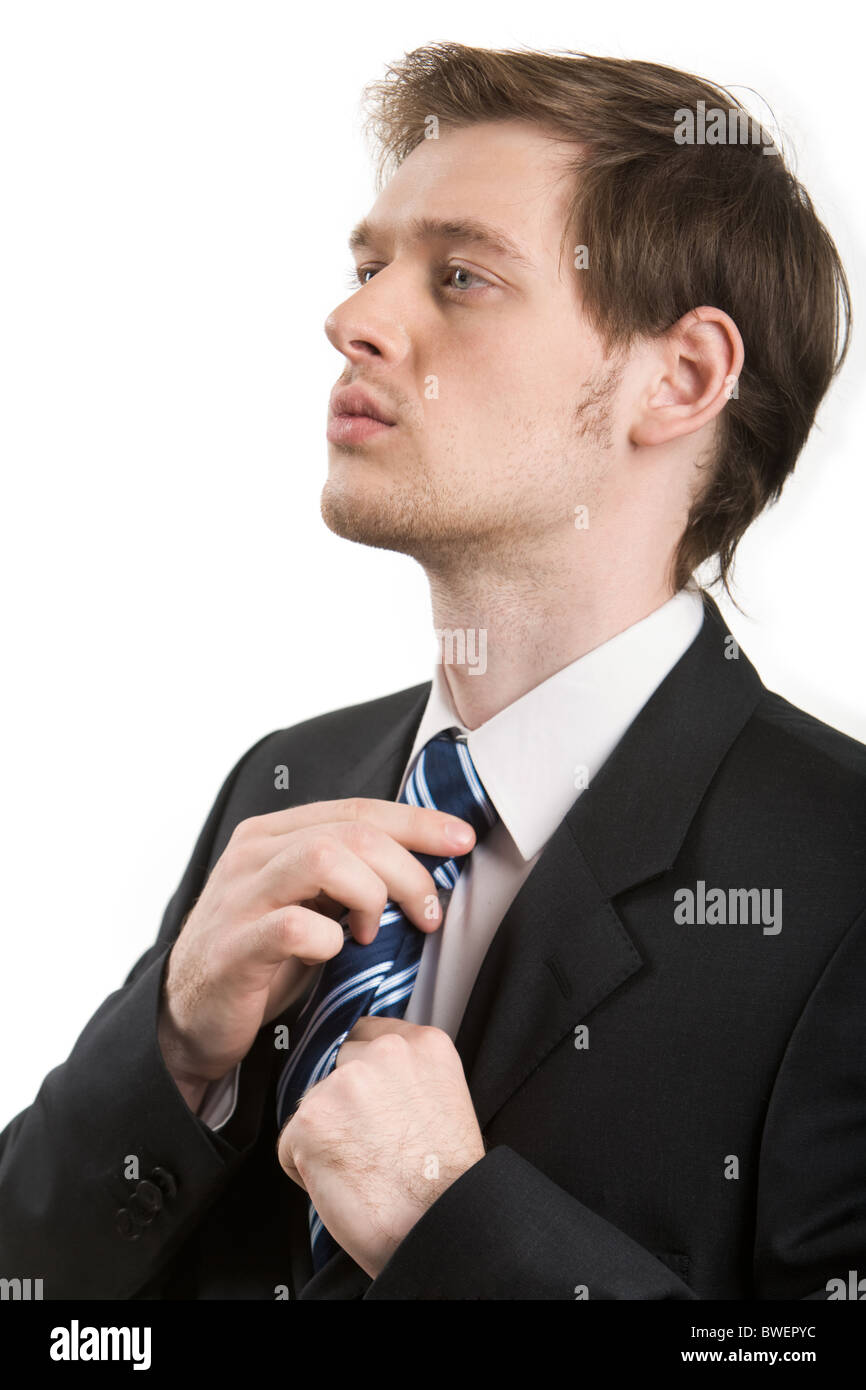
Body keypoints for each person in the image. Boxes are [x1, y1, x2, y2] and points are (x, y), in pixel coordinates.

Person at [1, 42, 863, 1301]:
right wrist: (173, 1053)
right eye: (368, 268)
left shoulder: (841, 869)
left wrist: (449, 1228)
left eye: (460, 275)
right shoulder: (282, 784)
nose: (351, 319)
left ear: (677, 379)